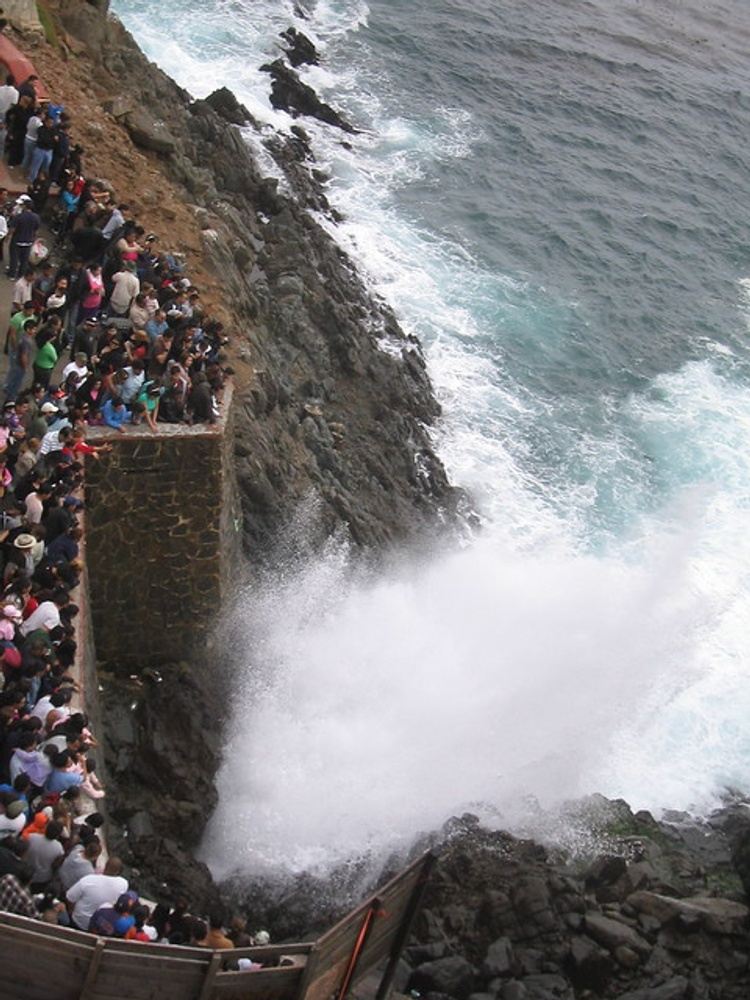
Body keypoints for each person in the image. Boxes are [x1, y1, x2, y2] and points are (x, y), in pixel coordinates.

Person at [66, 856, 128, 931]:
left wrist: (71, 913)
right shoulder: (123, 884)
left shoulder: (88, 879)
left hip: (79, 921)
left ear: (105, 866)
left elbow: (70, 897)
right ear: (118, 871)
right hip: (100, 926)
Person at [25, 818, 64, 891]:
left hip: (26, 871)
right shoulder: (59, 848)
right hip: (43, 878)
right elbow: (56, 864)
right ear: (58, 835)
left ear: (46, 828)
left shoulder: (31, 837)